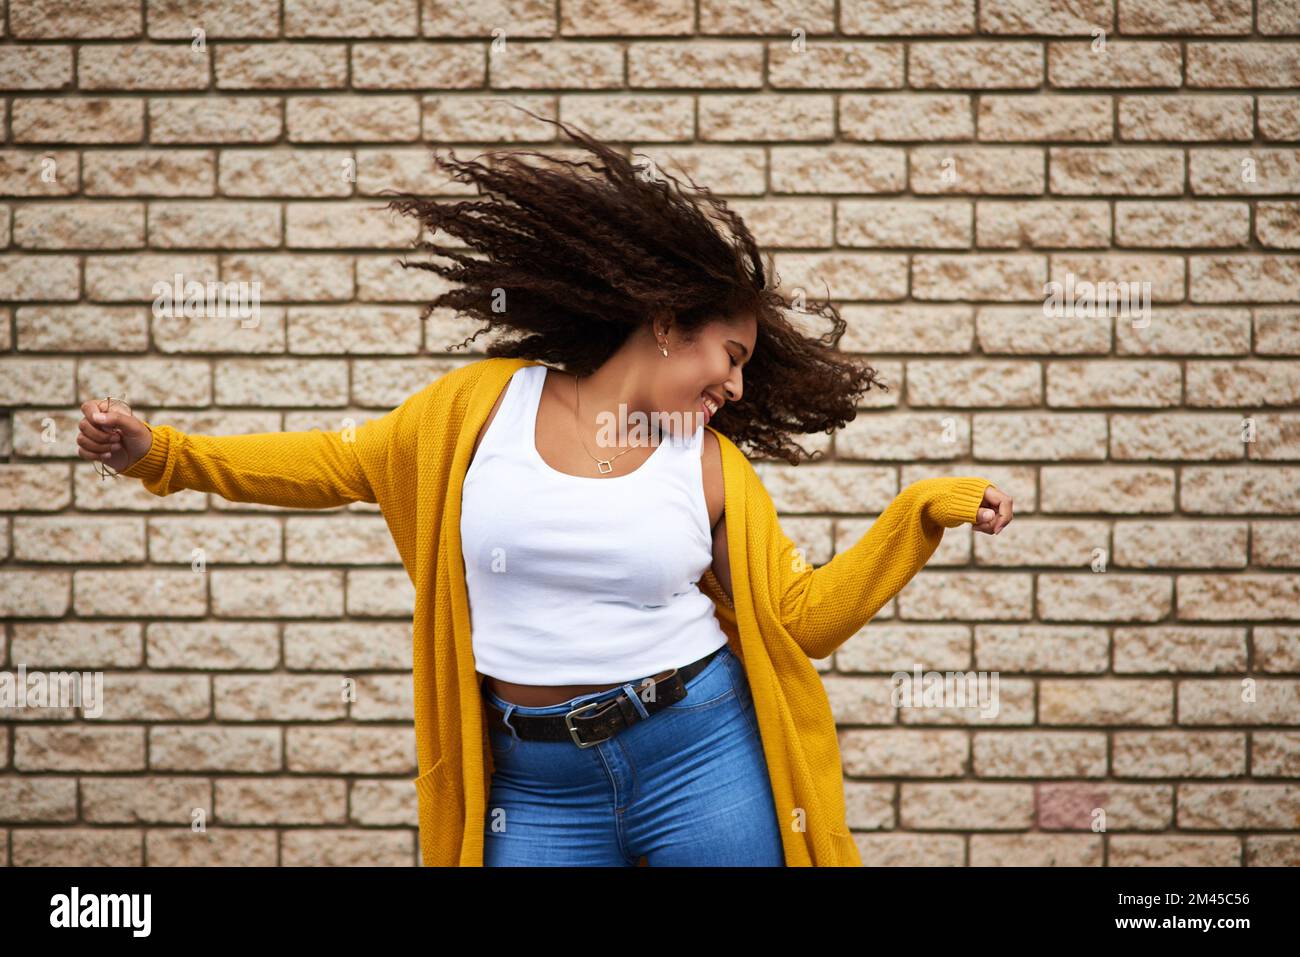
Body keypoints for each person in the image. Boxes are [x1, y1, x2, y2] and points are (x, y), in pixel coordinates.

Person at [76, 110, 1013, 866]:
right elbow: (334, 463)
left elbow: (801, 617)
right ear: (663, 324)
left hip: (701, 756)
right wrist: (162, 453)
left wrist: (922, 510)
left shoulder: (709, 466)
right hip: (532, 786)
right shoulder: (475, 412)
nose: (733, 388)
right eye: (729, 358)